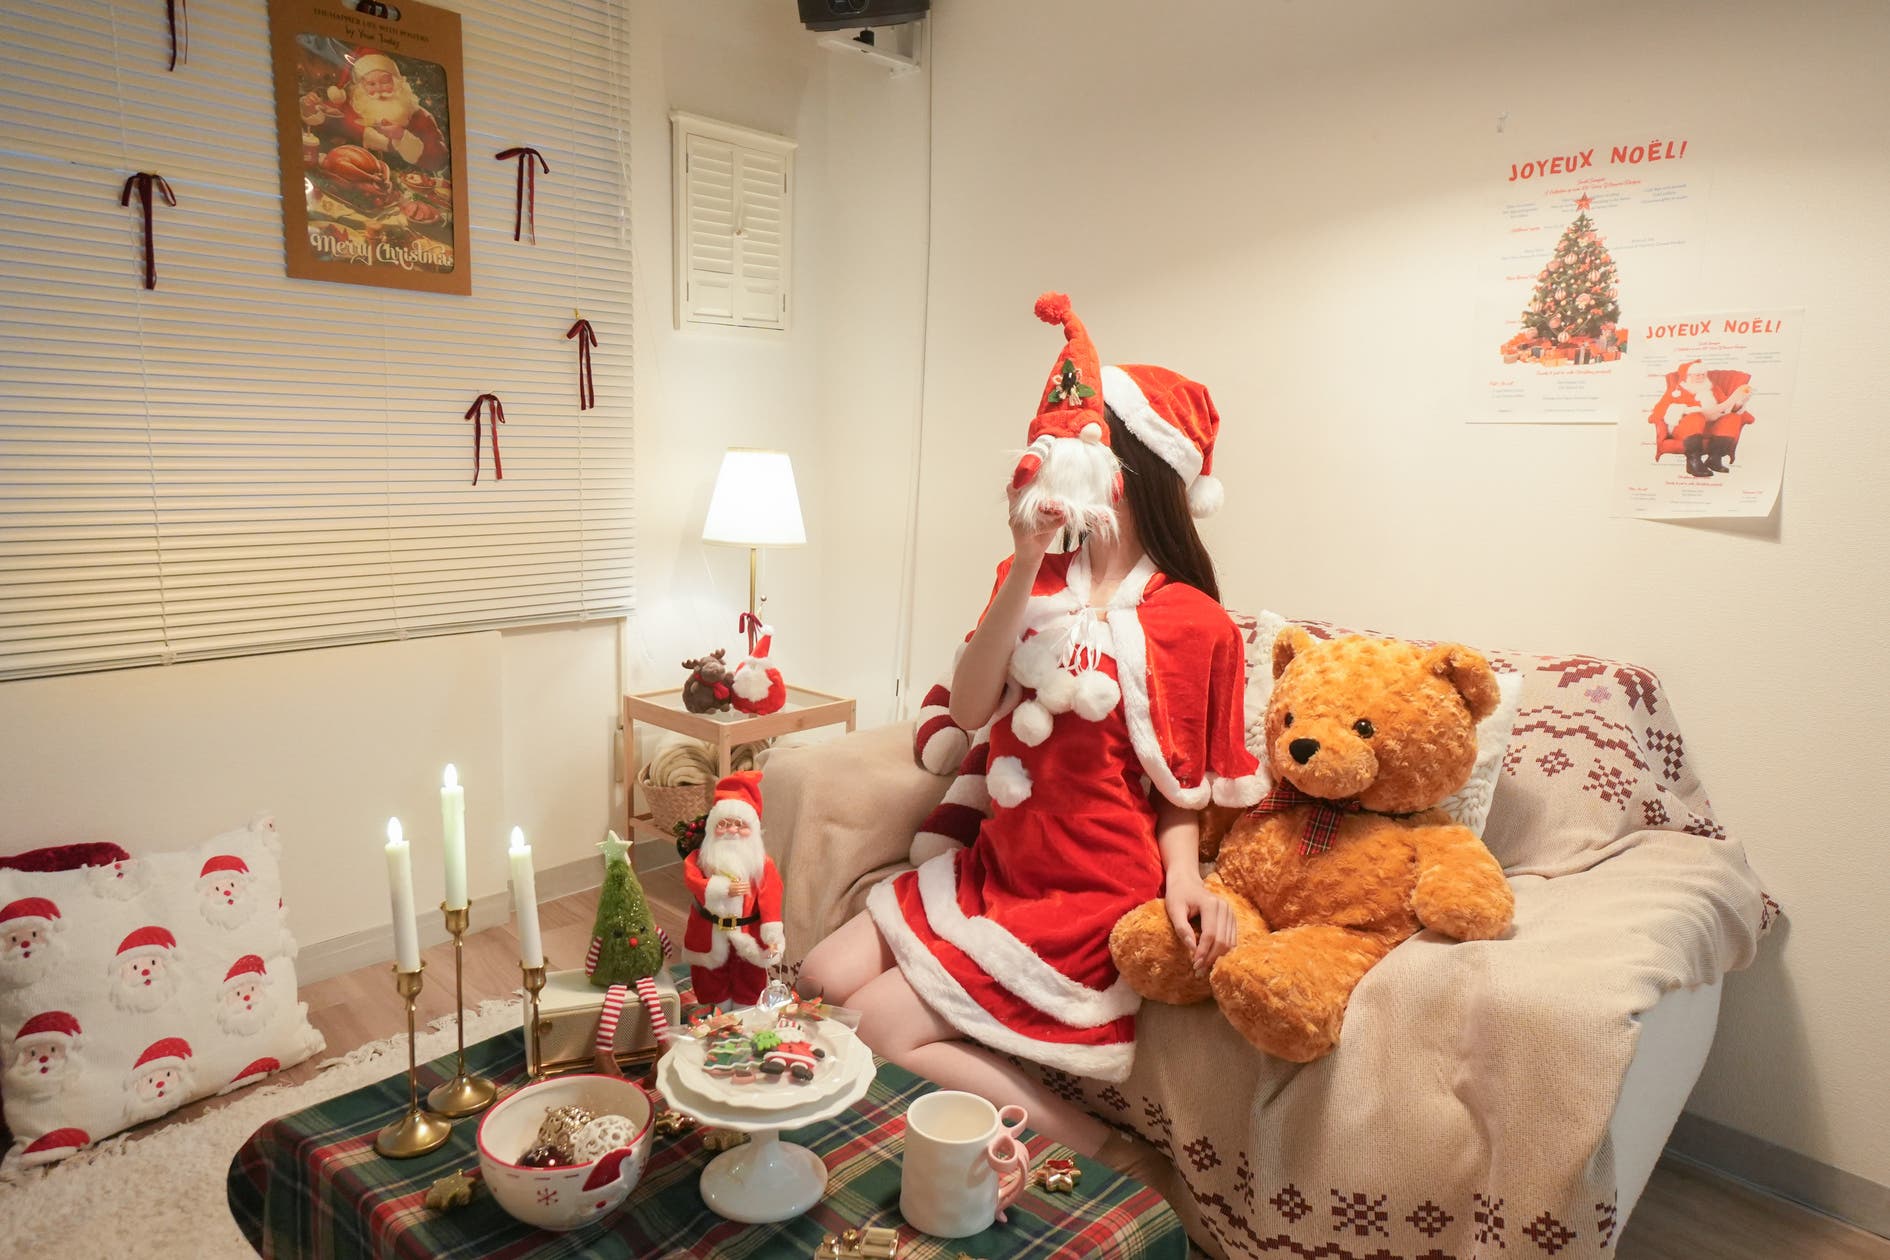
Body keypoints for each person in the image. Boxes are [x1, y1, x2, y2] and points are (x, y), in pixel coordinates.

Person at [798, 295, 1263, 1160]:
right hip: (998, 864)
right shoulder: (1035, 582)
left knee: (870, 1022)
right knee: (818, 977)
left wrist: (1188, 879)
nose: (1055, 457)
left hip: (1086, 888)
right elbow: (971, 708)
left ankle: (1099, 1146)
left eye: (1084, 442)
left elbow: (1183, 793)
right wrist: (1024, 560)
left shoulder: (1195, 622)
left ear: (1131, 468)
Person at [318, 49, 449, 173]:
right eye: (371, 84)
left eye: (385, 82)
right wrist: (311, 108)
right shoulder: (352, 107)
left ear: (398, 82)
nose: (379, 89)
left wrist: (402, 136)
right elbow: (320, 125)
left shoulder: (419, 116)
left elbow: (439, 161)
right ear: (360, 87)